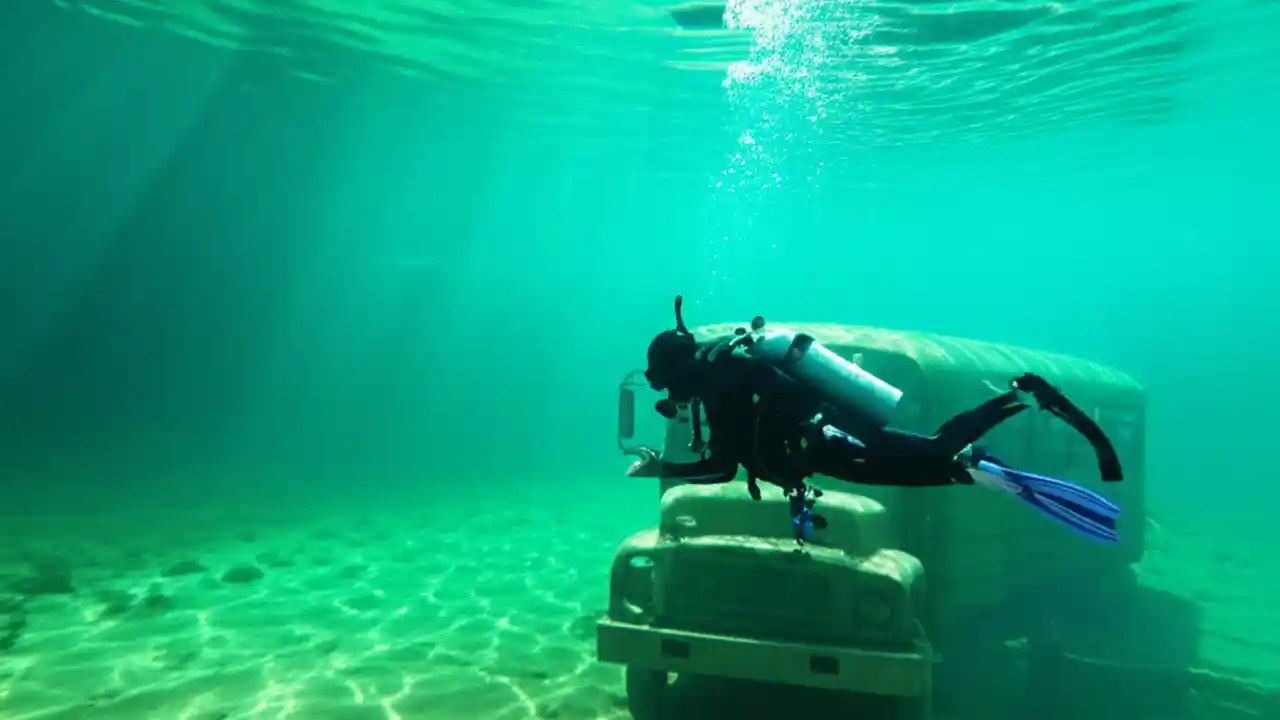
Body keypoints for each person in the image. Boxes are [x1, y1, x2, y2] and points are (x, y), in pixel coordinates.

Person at [627, 295, 1124, 544]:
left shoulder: (720, 381)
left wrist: (660, 469)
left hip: (829, 438)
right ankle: (973, 469)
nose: (667, 393)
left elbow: (721, 468)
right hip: (825, 446)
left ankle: (1018, 396)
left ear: (675, 370)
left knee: (928, 452)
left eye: (663, 382)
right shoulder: (721, 372)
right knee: (922, 468)